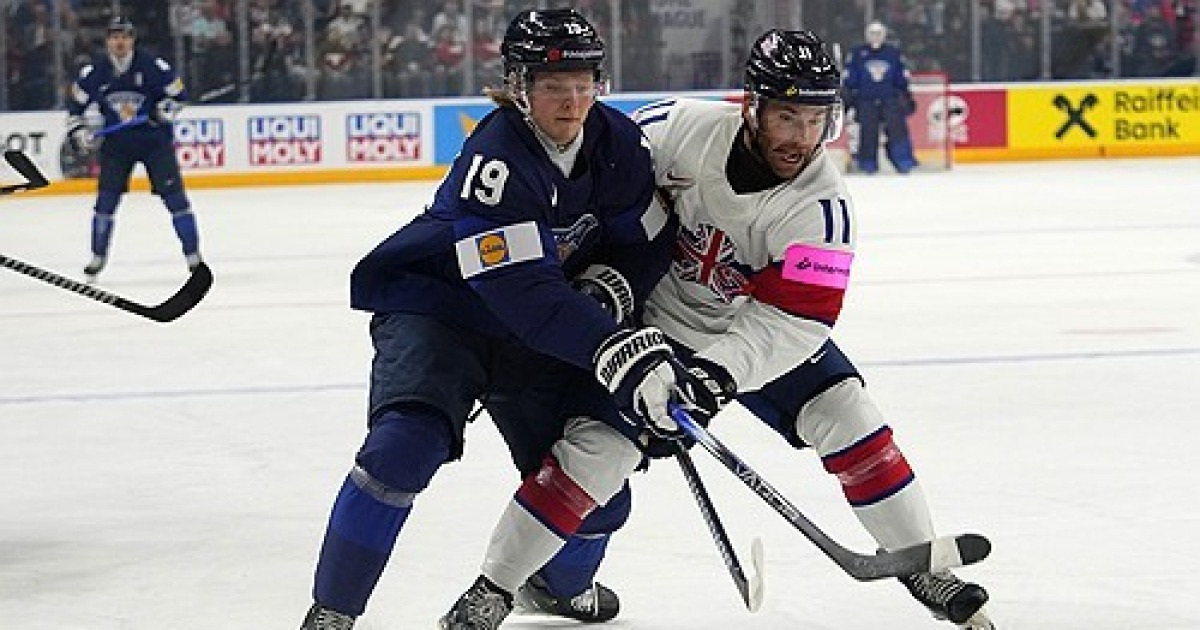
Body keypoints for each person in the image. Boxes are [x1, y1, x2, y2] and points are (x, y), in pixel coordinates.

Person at [442, 29, 995, 630]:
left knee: (848, 413)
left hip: (754, 331)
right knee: (598, 453)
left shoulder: (823, 210)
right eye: (787, 116)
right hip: (653, 328)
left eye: (817, 121)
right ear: (751, 106)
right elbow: (598, 175)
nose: (802, 138)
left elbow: (798, 320)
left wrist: (719, 372)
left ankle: (921, 564)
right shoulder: (674, 128)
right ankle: (493, 588)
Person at [299, 9, 703, 629]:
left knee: (594, 488)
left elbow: (648, 239)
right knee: (402, 449)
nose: (572, 101)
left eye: (584, 81)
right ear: (519, 86)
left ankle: (558, 585)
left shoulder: (616, 144)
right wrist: (613, 347)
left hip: (542, 326)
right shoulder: (496, 160)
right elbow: (522, 294)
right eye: (552, 85)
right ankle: (332, 613)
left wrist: (611, 287)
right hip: (442, 312)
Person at [65, 16, 203, 281]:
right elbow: (75, 109)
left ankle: (193, 257)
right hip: (117, 148)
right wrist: (79, 131)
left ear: (132, 40)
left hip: (155, 144)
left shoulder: (153, 66)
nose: (120, 42)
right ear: (107, 41)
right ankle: (97, 257)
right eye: (115, 37)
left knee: (176, 201)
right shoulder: (94, 72)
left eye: (125, 37)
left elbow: (179, 98)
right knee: (105, 203)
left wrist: (164, 112)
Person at [843, 21, 919, 174]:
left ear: (884, 35)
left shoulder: (892, 53)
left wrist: (905, 94)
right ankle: (867, 164)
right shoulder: (858, 53)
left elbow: (900, 77)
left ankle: (904, 162)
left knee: (897, 132)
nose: (875, 37)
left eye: (878, 34)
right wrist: (848, 96)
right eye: (872, 33)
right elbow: (851, 78)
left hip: (890, 100)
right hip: (866, 101)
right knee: (867, 134)